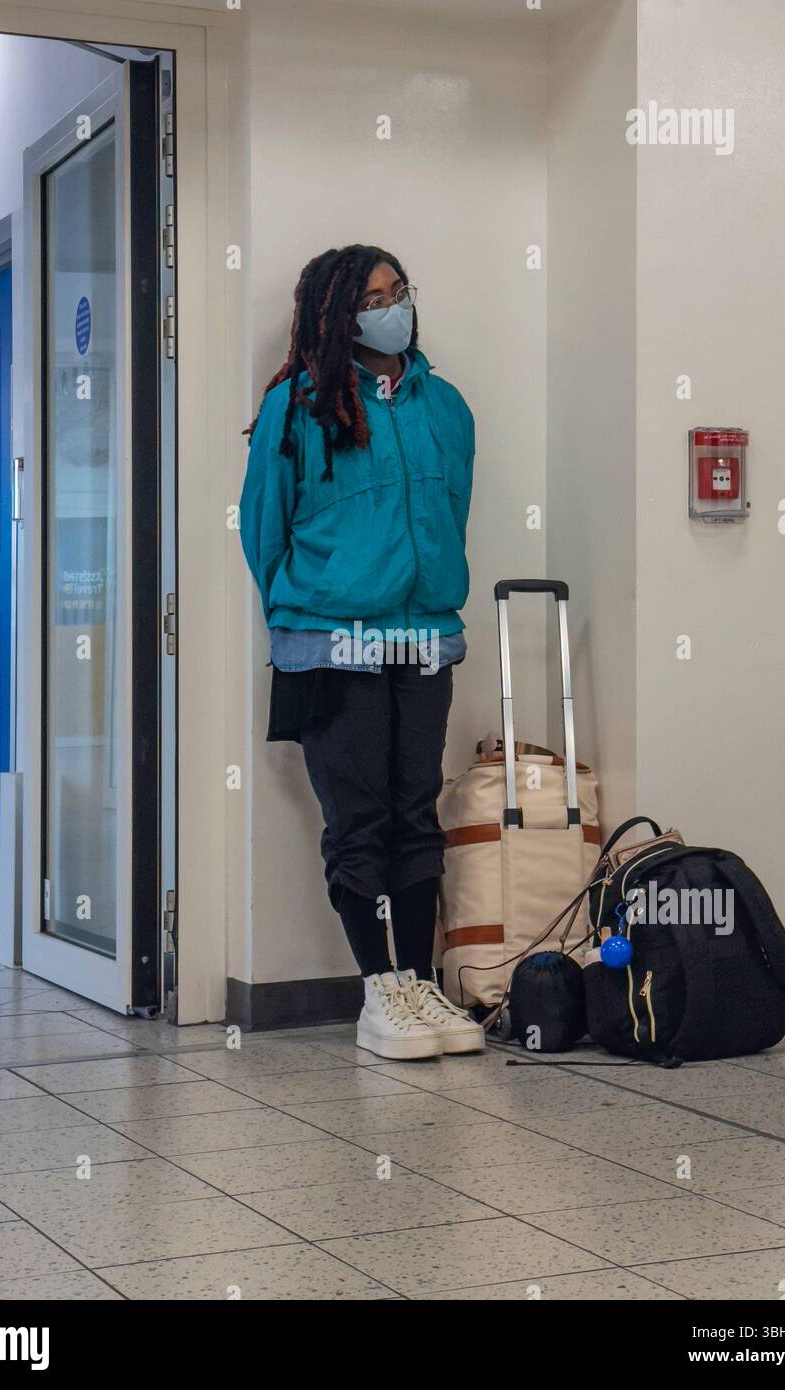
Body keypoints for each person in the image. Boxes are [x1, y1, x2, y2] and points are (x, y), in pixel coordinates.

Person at [240, 244, 484, 1061]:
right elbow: (263, 531)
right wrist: (310, 606)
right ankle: (380, 994)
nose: (392, 306)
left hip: (424, 641)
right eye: (372, 297)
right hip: (330, 645)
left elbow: (453, 515)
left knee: (416, 813)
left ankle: (418, 984)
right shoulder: (295, 407)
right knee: (360, 821)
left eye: (399, 291)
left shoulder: (443, 405)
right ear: (335, 317)